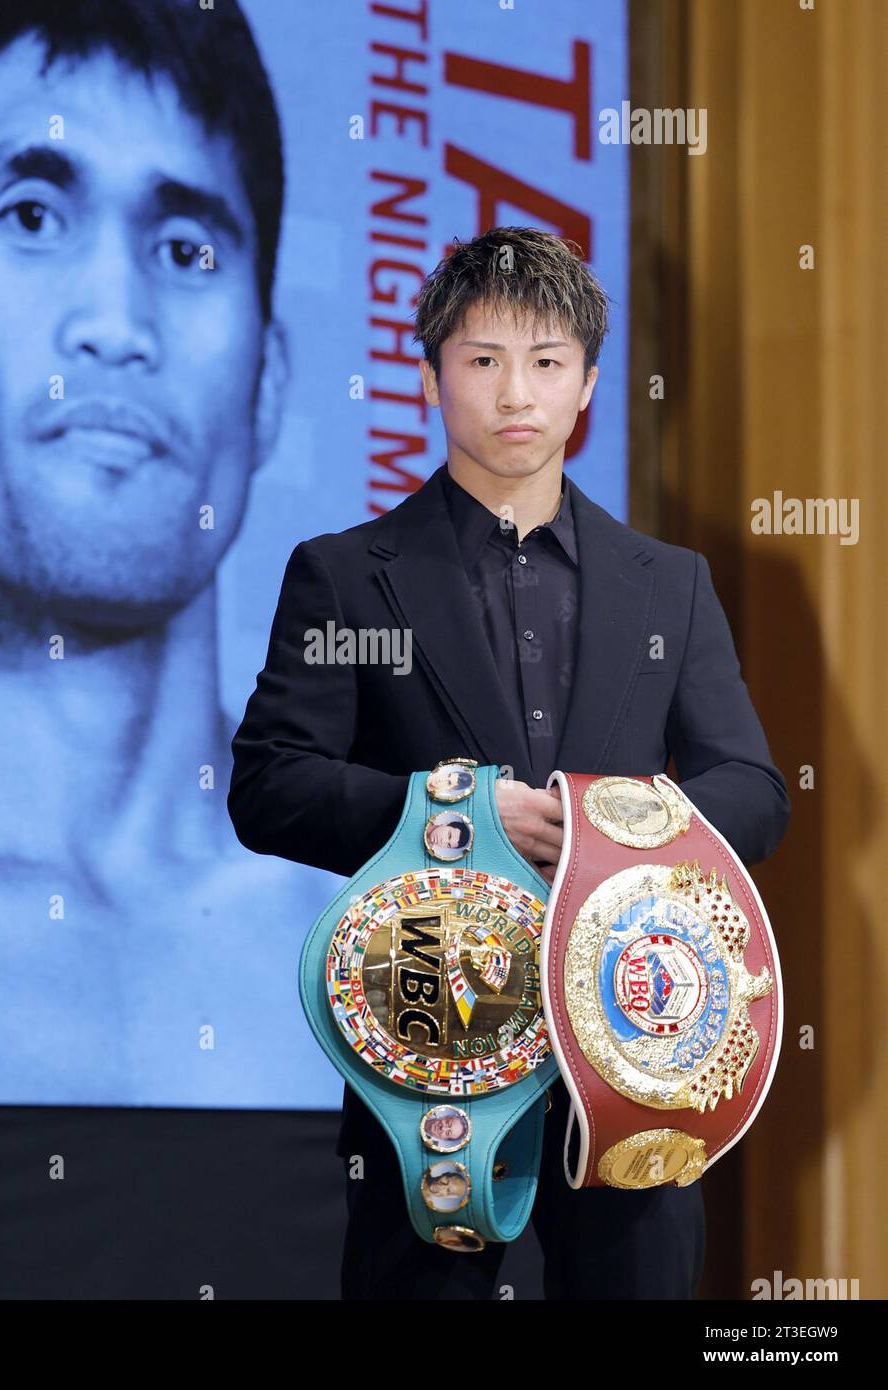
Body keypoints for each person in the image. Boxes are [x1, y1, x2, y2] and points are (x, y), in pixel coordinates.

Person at [228, 225, 790, 1299]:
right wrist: (461, 809)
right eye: (483, 360)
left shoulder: (668, 582)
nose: (515, 392)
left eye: (546, 362)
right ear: (432, 373)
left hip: (636, 1039)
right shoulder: (346, 576)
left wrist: (608, 823)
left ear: (586, 385)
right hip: (431, 1028)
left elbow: (753, 792)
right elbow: (270, 783)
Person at [0, 0, 338, 1107]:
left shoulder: (407, 939)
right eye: (30, 215)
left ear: (266, 386)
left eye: (184, 246)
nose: (115, 320)